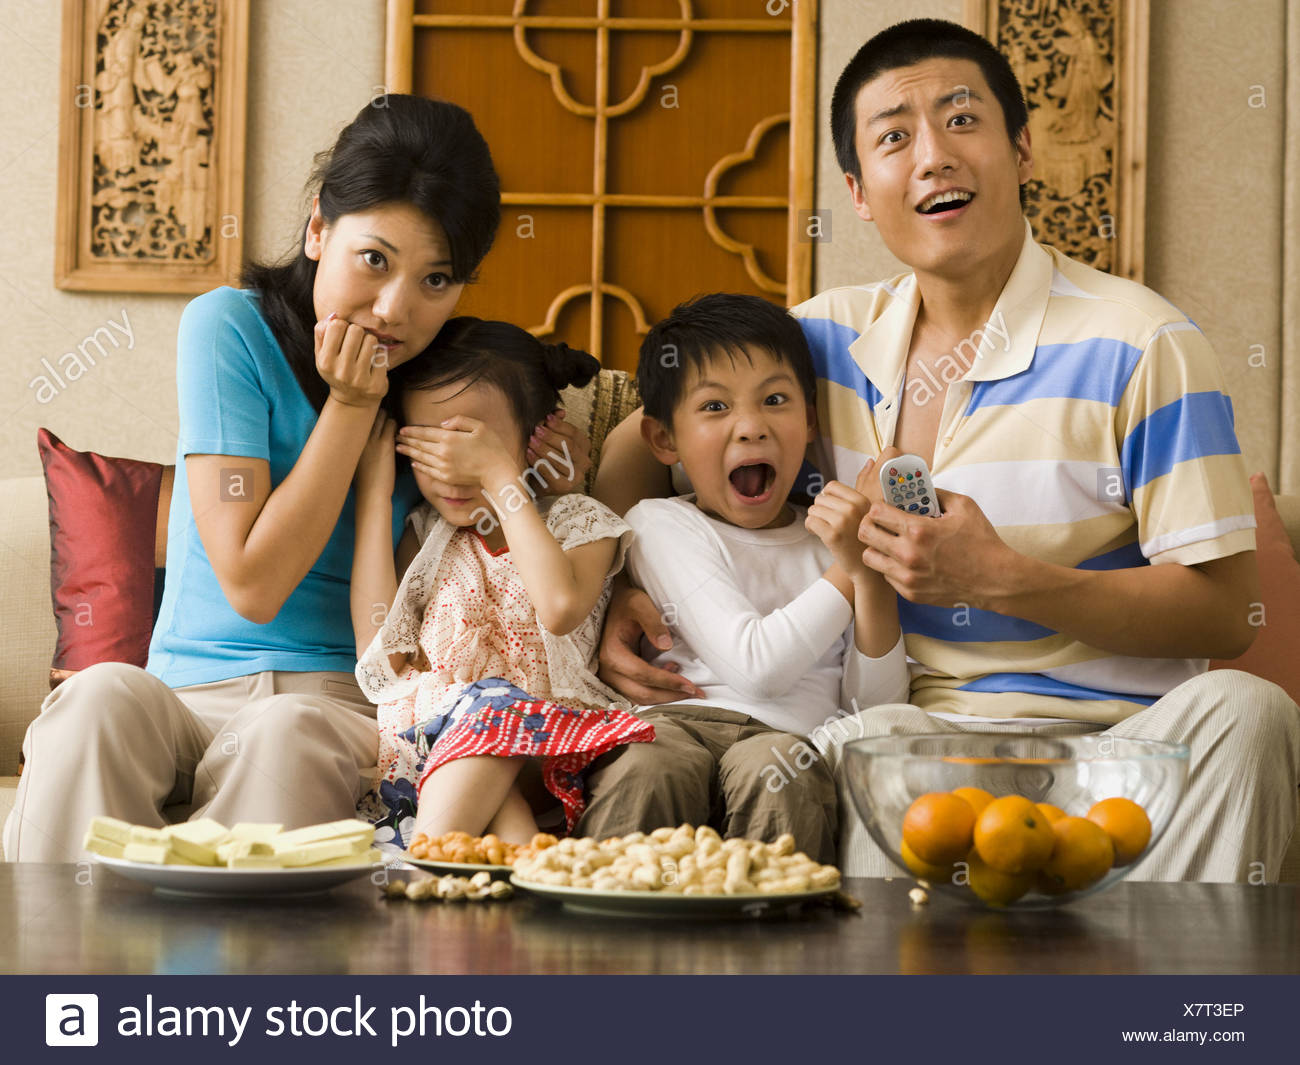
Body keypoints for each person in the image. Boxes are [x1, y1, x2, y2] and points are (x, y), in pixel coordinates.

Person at [591, 19, 1300, 882]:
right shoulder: (816, 344)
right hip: (914, 746)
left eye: (962, 120)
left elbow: (1226, 614)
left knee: (1251, 710)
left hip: (1125, 750)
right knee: (844, 744)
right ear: (858, 191)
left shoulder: (1145, 343)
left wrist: (1003, 577)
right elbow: (648, 436)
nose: (932, 156)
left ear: (1024, 148)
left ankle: (1173, 1002)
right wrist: (629, 580)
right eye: (894, 137)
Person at [3, 95, 591, 863]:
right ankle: (54, 974)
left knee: (286, 732)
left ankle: (212, 981)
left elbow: (537, 550)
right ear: (319, 228)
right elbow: (252, 581)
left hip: (339, 706)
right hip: (184, 694)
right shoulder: (228, 329)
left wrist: (566, 476)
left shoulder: (445, 382)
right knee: (94, 699)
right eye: (374, 260)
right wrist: (350, 407)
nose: (394, 309)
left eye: (435, 280)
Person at [575, 294, 909, 863]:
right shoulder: (660, 523)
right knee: (646, 770)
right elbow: (757, 669)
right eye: (714, 407)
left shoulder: (828, 540)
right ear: (663, 440)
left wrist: (868, 573)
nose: (751, 427)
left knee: (778, 775)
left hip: (790, 742)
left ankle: (773, 945)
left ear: (810, 420)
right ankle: (612, 944)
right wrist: (847, 568)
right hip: (676, 725)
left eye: (775, 400)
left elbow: (870, 706)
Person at [351, 318, 654, 852]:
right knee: (476, 723)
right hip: (437, 749)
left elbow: (560, 608)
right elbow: (383, 655)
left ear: (536, 435)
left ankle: (430, 864)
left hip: (553, 745)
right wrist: (377, 494)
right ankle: (507, 860)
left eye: (470, 445)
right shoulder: (427, 535)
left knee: (492, 709)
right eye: (429, 447)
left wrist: (502, 477)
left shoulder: (578, 521)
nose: (452, 469)